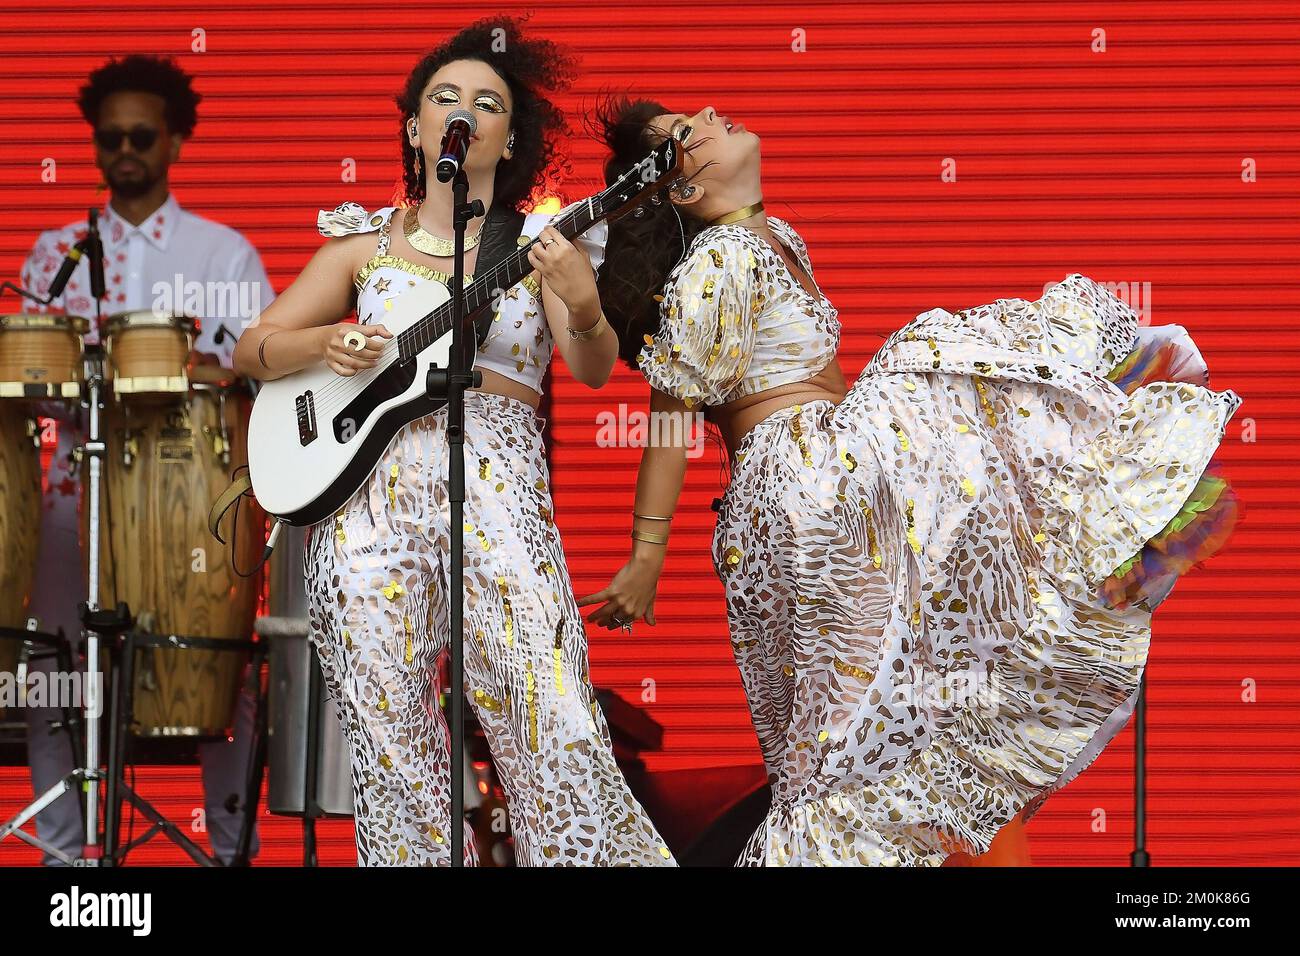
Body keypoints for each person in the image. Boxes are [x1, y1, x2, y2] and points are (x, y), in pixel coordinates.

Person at [581, 97, 1241, 866]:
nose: (709, 111)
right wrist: (646, 551)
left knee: (907, 713)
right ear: (684, 190)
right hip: (800, 498)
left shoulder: (773, 237)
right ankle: (1087, 495)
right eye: (684, 133)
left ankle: (1081, 507)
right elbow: (671, 412)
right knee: (847, 743)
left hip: (838, 480)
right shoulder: (718, 260)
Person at [233, 18, 673, 866]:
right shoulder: (364, 244)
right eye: (444, 97)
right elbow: (253, 347)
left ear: (509, 139)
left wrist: (582, 302)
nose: (462, 110)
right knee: (391, 741)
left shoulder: (543, 244)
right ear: (414, 127)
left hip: (496, 485)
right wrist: (322, 345)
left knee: (551, 723)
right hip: (366, 498)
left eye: (487, 103)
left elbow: (590, 369)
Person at [17, 54, 272, 865]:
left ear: (174, 142)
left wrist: (185, 370)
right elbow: (28, 383)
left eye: (141, 135)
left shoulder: (220, 254)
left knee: (215, 669)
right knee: (55, 672)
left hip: (187, 496)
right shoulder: (54, 252)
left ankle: (231, 852)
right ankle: (64, 859)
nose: (123, 150)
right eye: (109, 137)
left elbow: (257, 367)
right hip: (70, 493)